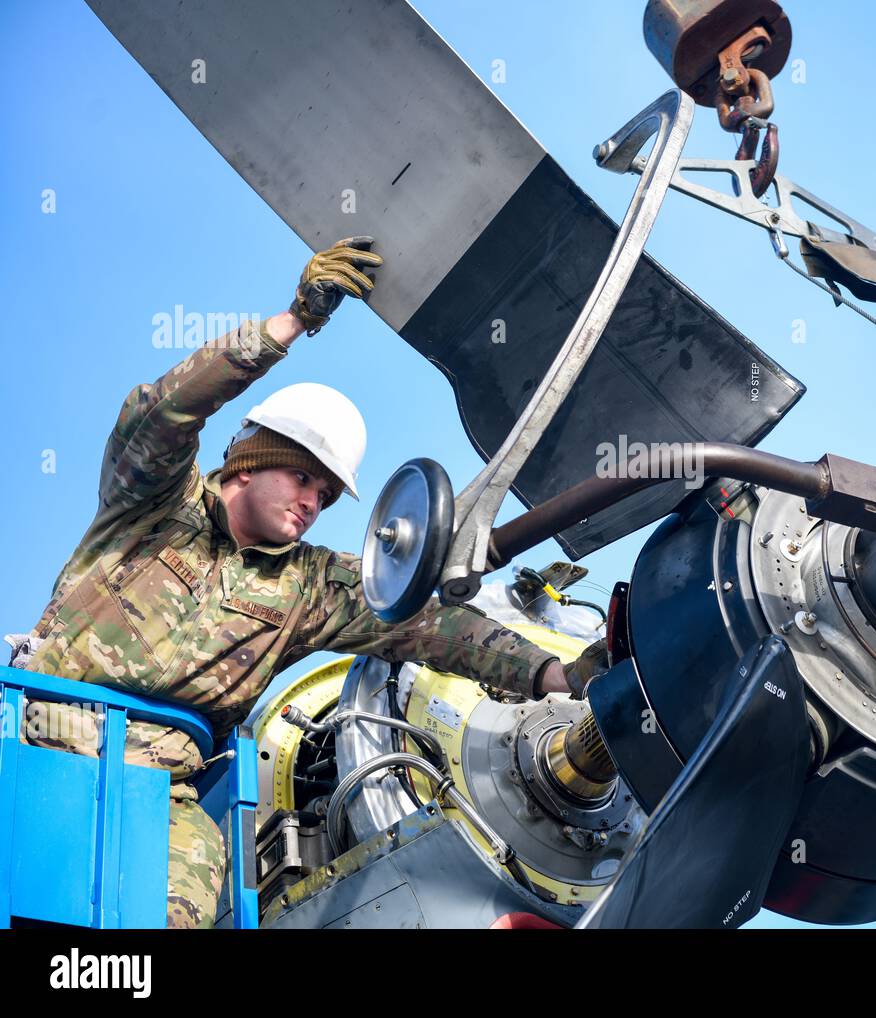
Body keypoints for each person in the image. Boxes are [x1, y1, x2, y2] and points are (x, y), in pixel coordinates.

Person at [9, 238, 599, 927]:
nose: (313, 501)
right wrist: (291, 322)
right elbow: (161, 412)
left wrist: (555, 676)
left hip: (158, 786)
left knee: (178, 910)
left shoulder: (308, 587)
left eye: (325, 492)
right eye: (301, 476)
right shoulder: (151, 507)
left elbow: (431, 626)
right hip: (29, 730)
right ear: (249, 464)